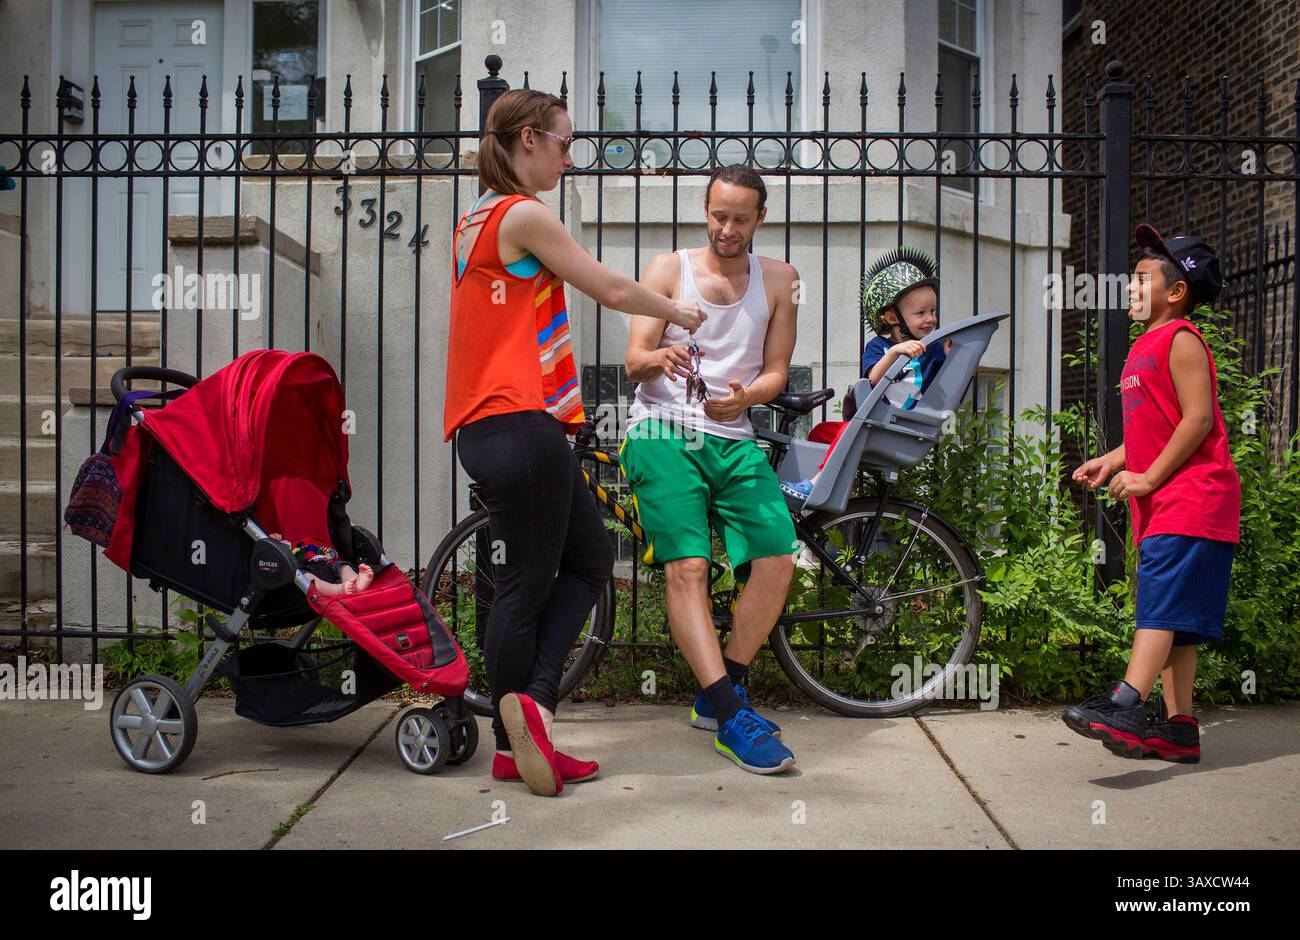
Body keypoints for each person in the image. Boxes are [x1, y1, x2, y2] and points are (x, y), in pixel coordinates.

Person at [443, 88, 705, 797]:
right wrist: (676, 309)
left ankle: (522, 731)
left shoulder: (473, 219)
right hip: (518, 424)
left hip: (492, 428)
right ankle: (522, 719)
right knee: (525, 587)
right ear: (528, 139)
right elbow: (612, 290)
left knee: (586, 564)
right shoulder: (522, 214)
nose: (569, 156)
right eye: (564, 143)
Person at [619, 164, 801, 775]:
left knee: (778, 559)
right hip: (663, 432)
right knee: (689, 565)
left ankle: (719, 693)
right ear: (706, 209)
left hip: (733, 432)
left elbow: (776, 369)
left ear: (760, 219)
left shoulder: (779, 280)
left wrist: (746, 398)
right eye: (718, 216)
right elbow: (633, 362)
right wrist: (659, 354)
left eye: (740, 219)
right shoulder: (668, 269)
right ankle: (731, 716)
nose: (727, 229)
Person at [1063, 223, 1238, 764]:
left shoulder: (1181, 340)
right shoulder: (1147, 344)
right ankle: (1180, 728)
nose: (1131, 288)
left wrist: (1149, 477)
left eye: (1141, 279)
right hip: (1167, 502)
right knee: (1177, 621)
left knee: (1158, 608)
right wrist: (1114, 459)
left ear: (1176, 291)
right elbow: (1155, 427)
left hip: (1193, 499)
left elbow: (1198, 419)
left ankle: (1125, 702)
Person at [779, 246, 950, 505]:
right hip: (876, 424)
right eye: (920, 313)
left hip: (895, 428)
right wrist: (894, 353)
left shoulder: (933, 349)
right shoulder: (878, 349)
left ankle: (817, 485)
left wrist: (950, 353)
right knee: (821, 432)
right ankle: (817, 495)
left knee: (847, 433)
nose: (930, 319)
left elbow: (948, 379)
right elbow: (873, 378)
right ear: (892, 317)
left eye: (932, 311)